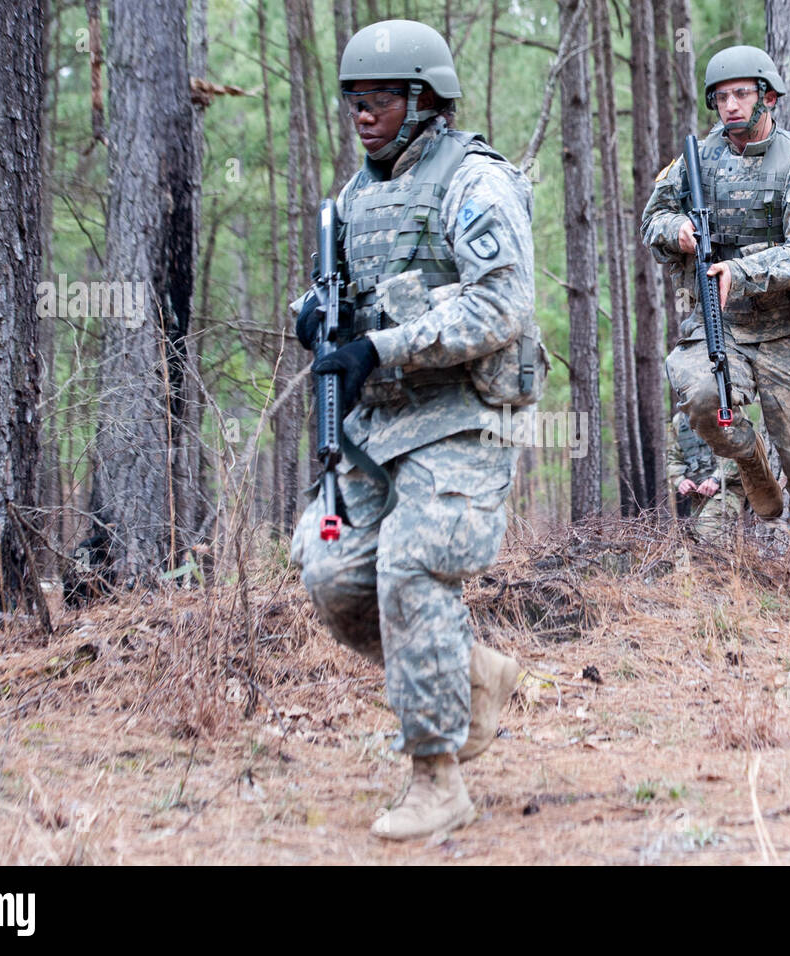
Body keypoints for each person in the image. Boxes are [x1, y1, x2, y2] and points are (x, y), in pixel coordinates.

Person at [290, 19, 534, 840]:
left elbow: (501, 305)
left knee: (410, 567)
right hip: (379, 426)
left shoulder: (474, 181)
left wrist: (380, 344)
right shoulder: (355, 199)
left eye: (379, 98)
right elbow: (354, 302)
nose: (362, 113)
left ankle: (435, 776)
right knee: (330, 574)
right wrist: (319, 322)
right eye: (353, 99)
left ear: (425, 98)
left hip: (463, 416)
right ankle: (470, 672)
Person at [641, 45, 790, 601]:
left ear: (769, 97)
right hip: (725, 323)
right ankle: (750, 461)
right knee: (701, 394)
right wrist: (678, 232)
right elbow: (651, 218)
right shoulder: (695, 161)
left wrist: (743, 268)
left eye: (742, 94)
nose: (730, 106)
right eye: (721, 97)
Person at [667, 411, 747, 542]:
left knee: (708, 533)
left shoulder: (726, 410)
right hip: (698, 494)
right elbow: (673, 458)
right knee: (697, 542)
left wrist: (716, 478)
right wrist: (681, 481)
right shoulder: (680, 420)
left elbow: (743, 449)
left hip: (729, 488)